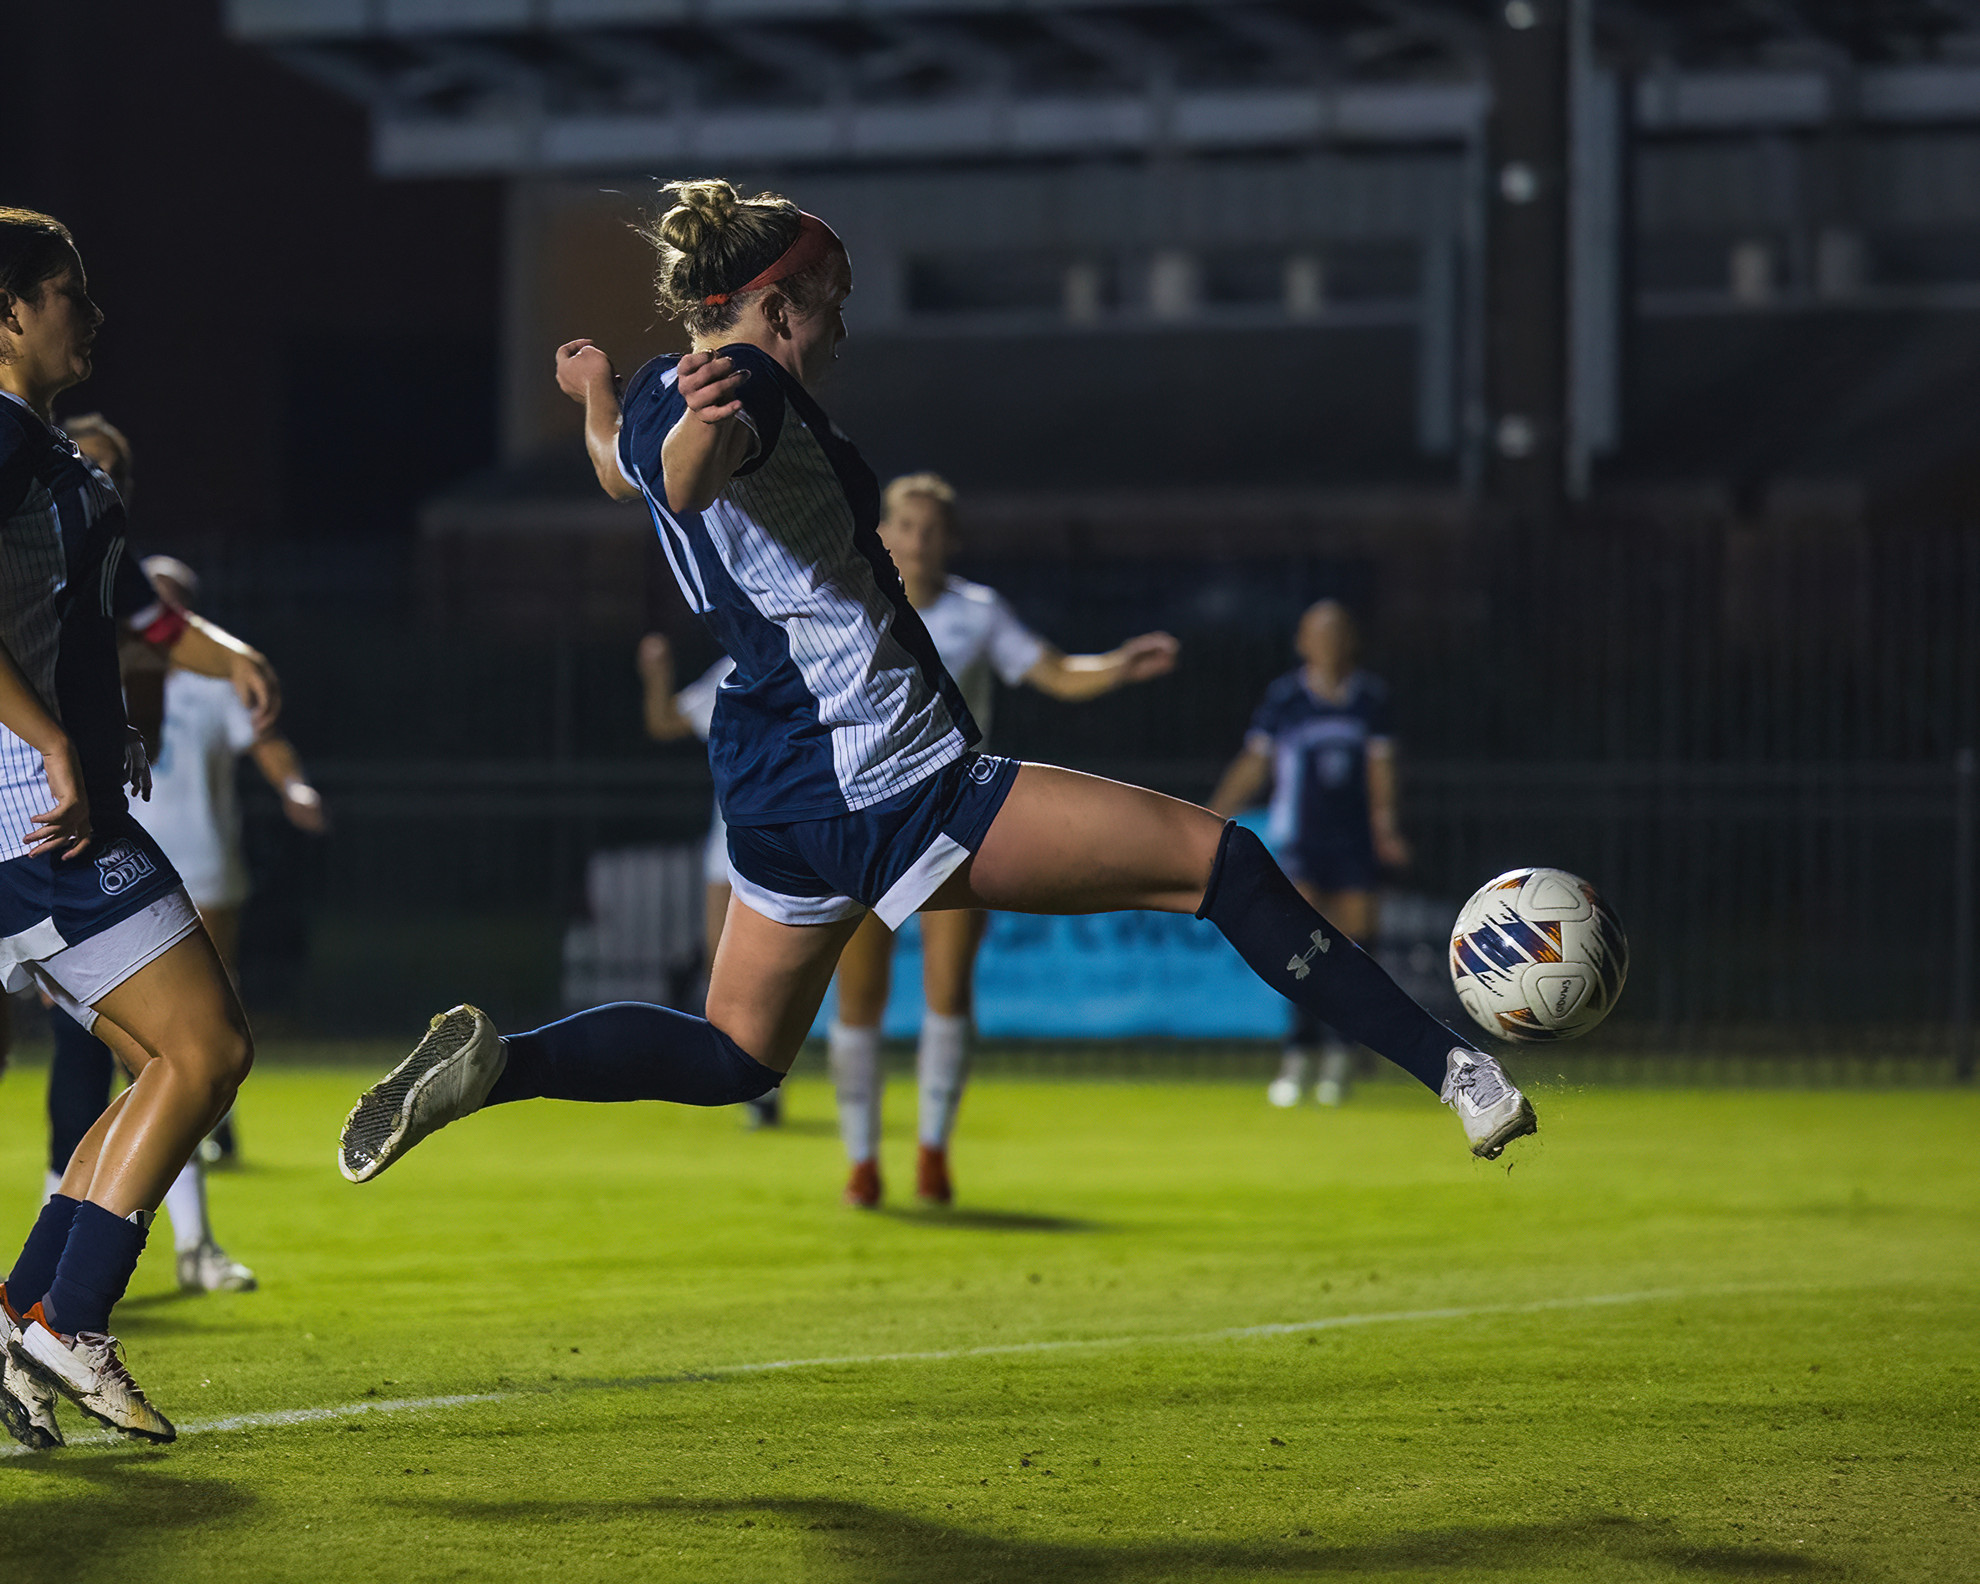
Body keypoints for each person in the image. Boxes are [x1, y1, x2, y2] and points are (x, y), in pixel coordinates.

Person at [335, 182, 1534, 1237]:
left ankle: (504, 1066)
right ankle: (1455, 1069)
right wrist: (699, 433)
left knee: (736, 1055)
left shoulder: (657, 389)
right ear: (780, 301)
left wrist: (598, 394)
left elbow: (624, 472)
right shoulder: (741, 377)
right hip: (887, 767)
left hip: (769, 788)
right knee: (1217, 866)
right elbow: (696, 476)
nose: (842, 317)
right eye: (833, 293)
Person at [0, 210, 280, 1449]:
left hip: (50, 802)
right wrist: (56, 738)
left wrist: (210, 660)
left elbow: (126, 621)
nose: (90, 313)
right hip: (36, 810)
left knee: (158, 1063)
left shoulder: (52, 458)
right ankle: (72, 1315)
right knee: (208, 1052)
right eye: (66, 293)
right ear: (9, 312)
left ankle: (22, 1315)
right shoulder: (4, 435)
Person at [828, 472, 1178, 1208]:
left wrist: (1115, 667)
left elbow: (1051, 672)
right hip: (864, 823)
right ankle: (861, 1162)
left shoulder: (976, 611)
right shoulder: (849, 604)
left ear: (951, 540)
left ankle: (931, 1152)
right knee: (859, 998)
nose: (918, 540)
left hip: (953, 822)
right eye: (906, 525)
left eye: (932, 528)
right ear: (883, 530)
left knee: (948, 991)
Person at [37, 545, 327, 1294]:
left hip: (124, 863)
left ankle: (49, 1296)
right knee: (183, 1059)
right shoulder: (52, 609)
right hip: (60, 857)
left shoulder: (83, 558)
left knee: (175, 1059)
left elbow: (243, 722)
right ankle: (56, 1302)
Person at [1210, 600, 1410, 1108]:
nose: (1328, 643)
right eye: (1318, 634)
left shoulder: (1369, 698)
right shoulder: (1287, 699)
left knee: (1360, 946)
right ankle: (1298, 1054)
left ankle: (1343, 1055)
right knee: (1301, 943)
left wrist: (1385, 826)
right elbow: (1256, 762)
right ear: (1303, 642)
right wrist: (1212, 815)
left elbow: (1380, 767)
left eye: (1337, 633)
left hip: (1354, 842)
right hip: (1301, 840)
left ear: (1351, 641)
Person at [634, 633, 770, 1123]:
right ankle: (758, 1091)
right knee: (723, 964)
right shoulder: (735, 670)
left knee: (776, 971)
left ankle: (767, 1080)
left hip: (790, 841)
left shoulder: (816, 661)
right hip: (730, 845)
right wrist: (657, 675)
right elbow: (665, 721)